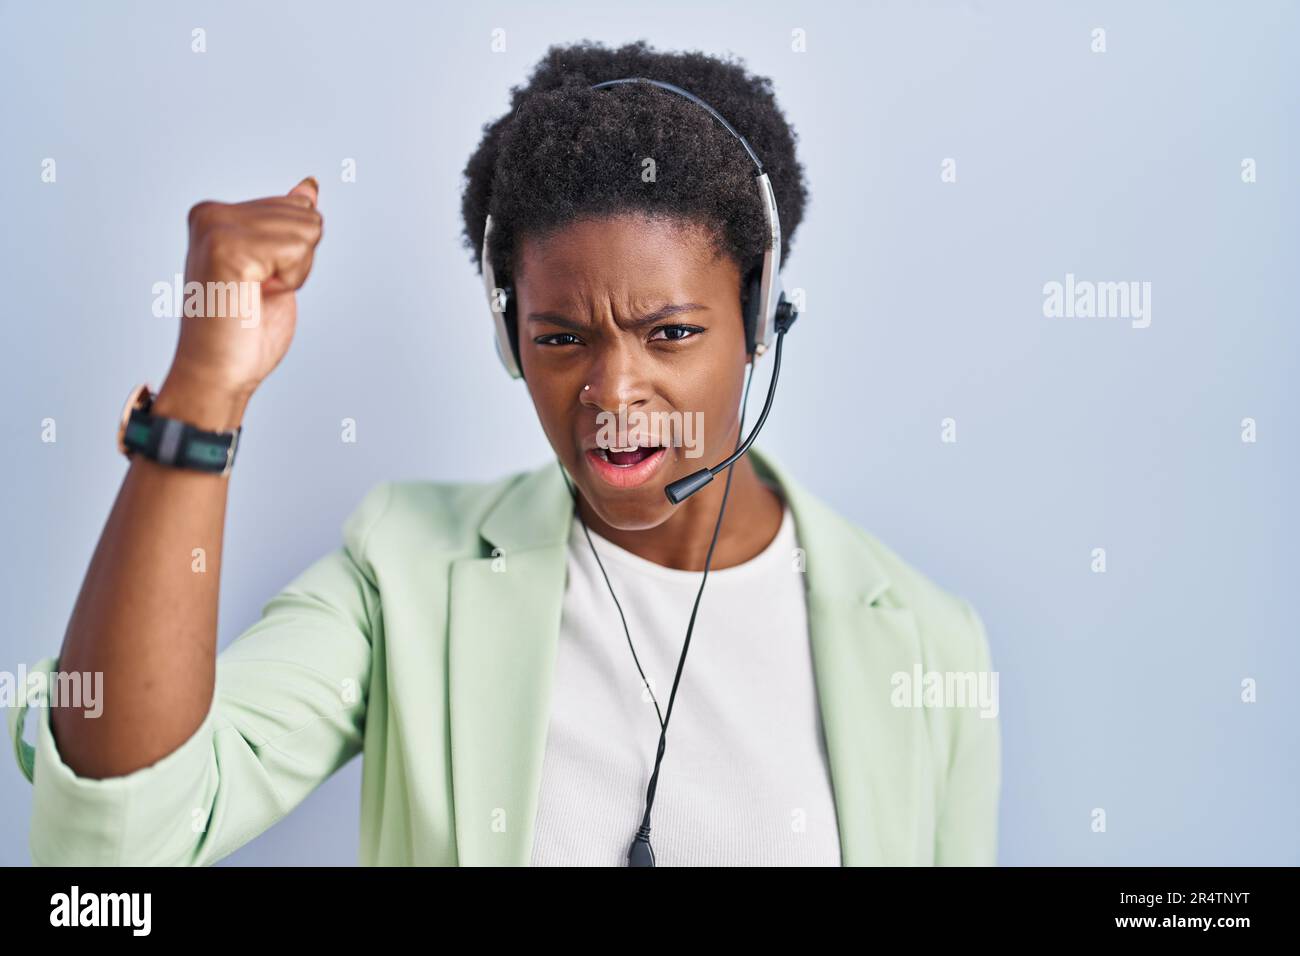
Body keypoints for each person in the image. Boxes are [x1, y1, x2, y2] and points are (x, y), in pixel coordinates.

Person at [8, 40, 999, 867]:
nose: (612, 396)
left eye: (669, 333)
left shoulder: (926, 641)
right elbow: (113, 840)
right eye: (560, 337)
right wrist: (202, 394)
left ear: (757, 321)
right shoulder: (404, 571)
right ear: (507, 334)